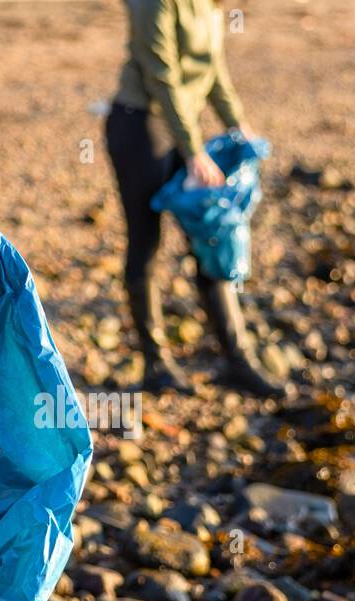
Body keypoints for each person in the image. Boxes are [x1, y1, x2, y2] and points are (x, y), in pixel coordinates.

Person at [107, 0, 285, 397]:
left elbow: (213, 68)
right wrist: (193, 151)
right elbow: (160, 73)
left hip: (182, 128)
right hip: (141, 127)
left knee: (211, 235)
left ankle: (237, 359)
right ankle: (156, 364)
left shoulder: (210, 4)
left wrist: (237, 123)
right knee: (146, 242)